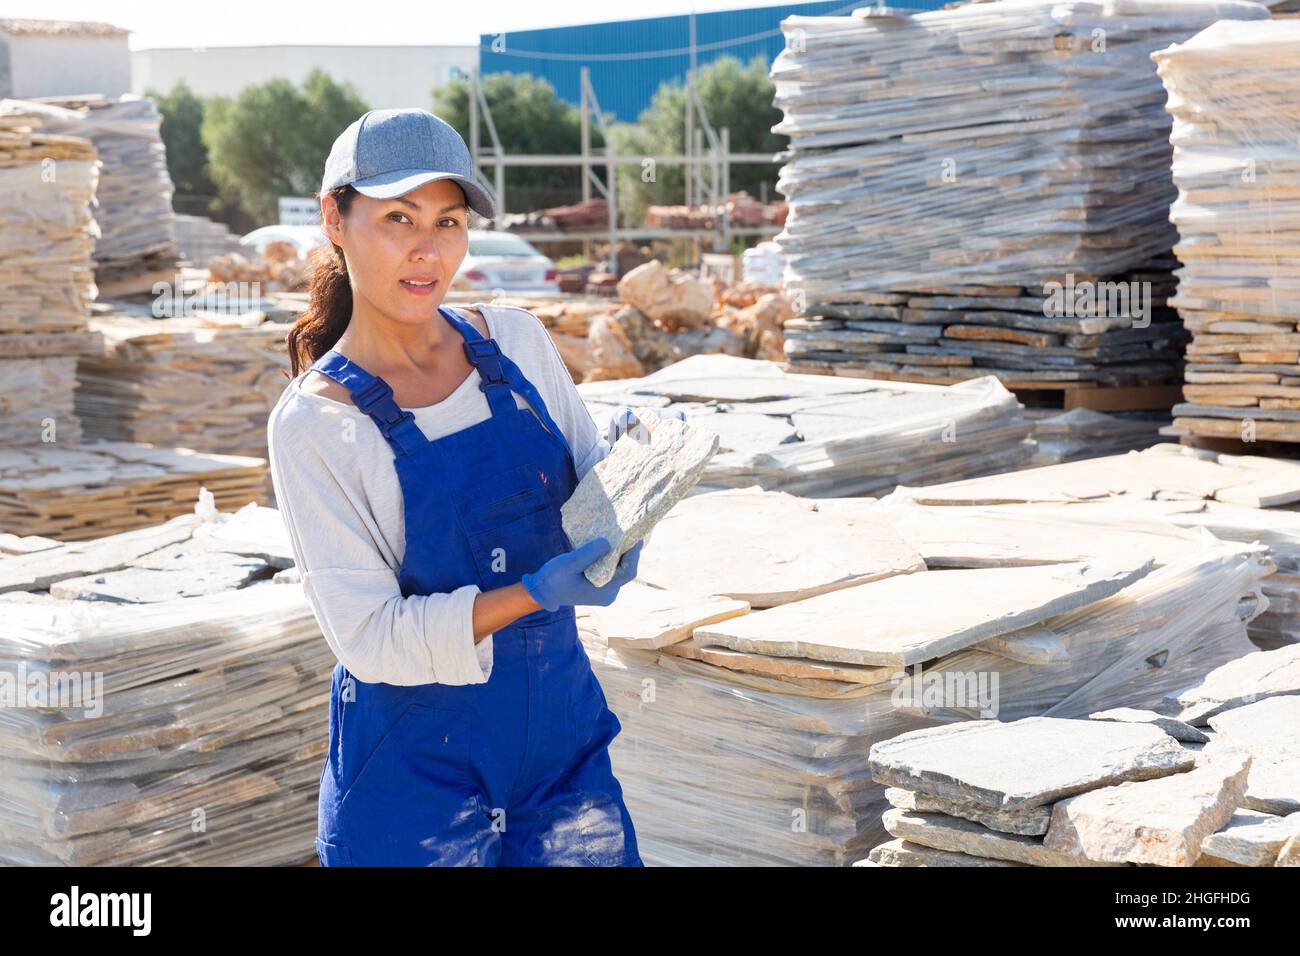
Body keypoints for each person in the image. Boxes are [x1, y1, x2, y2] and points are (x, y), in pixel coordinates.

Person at [267, 107, 660, 866]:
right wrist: (535, 593)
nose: (427, 249)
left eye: (448, 221)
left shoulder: (516, 346)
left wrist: (635, 488)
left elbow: (590, 498)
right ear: (334, 220)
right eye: (397, 218)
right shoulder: (318, 423)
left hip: (562, 755)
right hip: (414, 787)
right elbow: (372, 638)